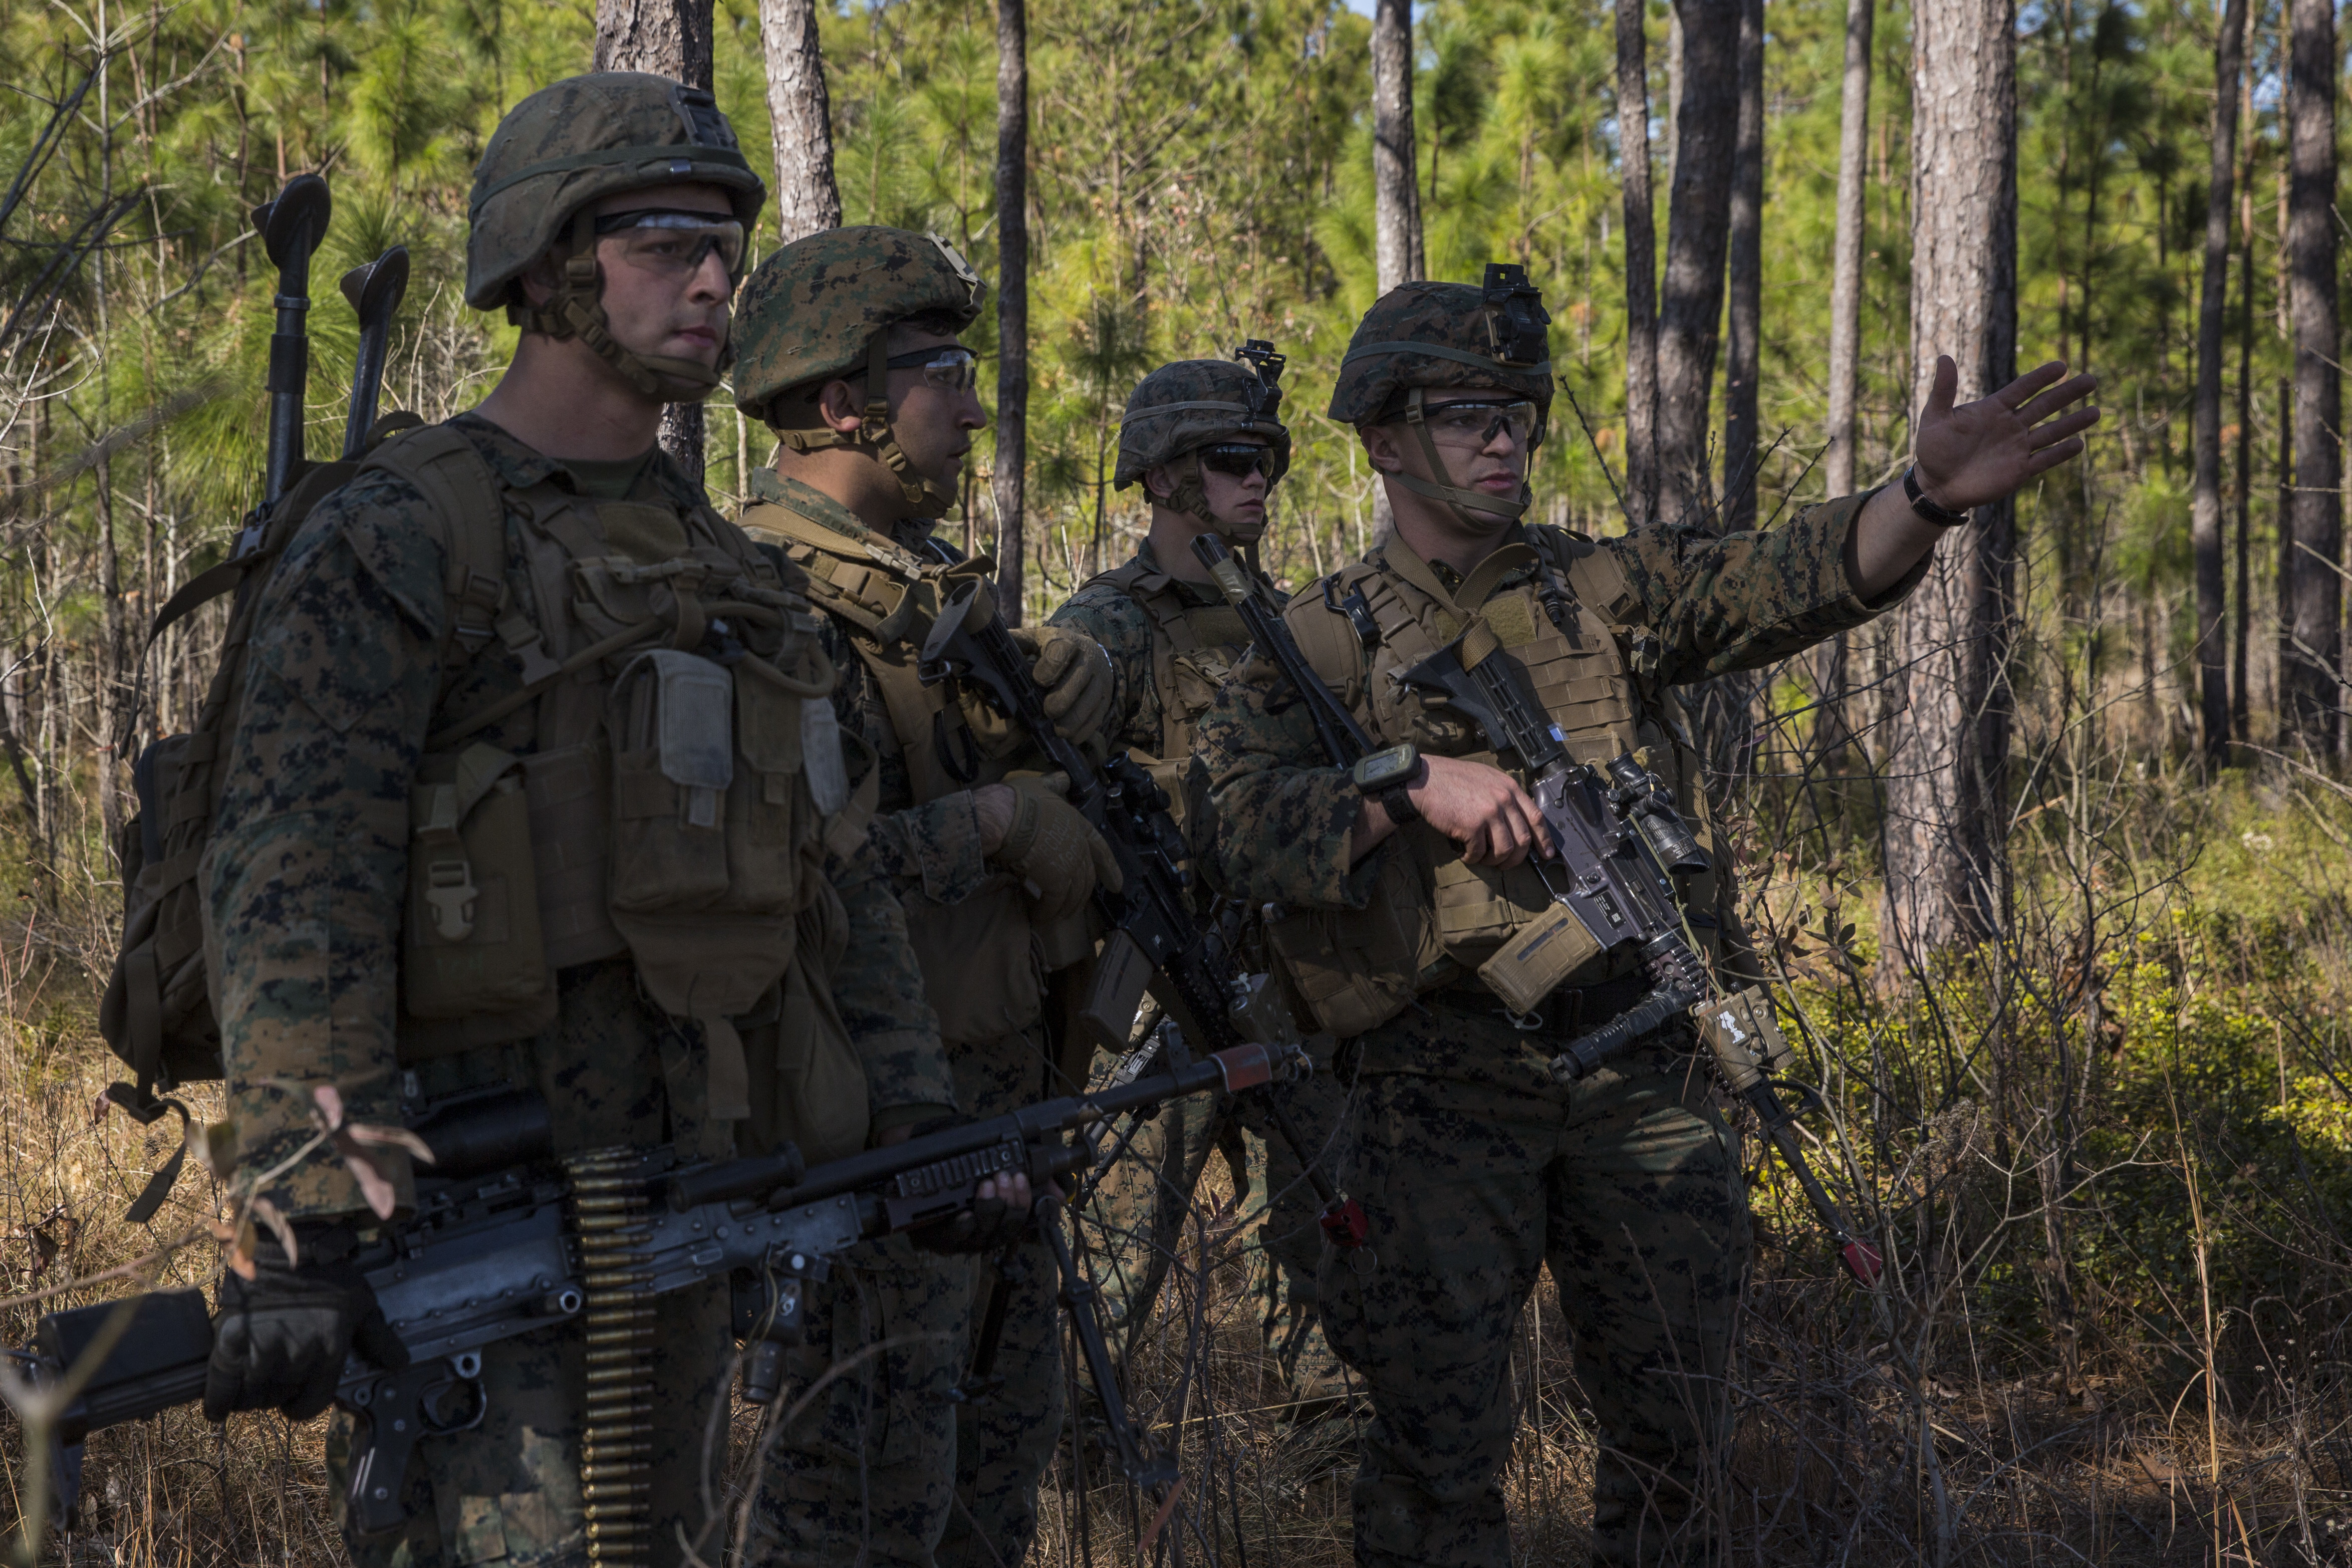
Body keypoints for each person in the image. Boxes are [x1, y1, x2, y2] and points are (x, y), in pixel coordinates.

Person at [1197, 267, 2097, 1566]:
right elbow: (1230, 829)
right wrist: (1399, 785)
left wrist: (1926, 498)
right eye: (1467, 413)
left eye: (1520, 411)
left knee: (1678, 1434)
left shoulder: (1600, 591)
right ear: (1383, 437)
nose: (1505, 437)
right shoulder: (1315, 641)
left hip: (1643, 1057)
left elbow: (1788, 578)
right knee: (1435, 1456)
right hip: (1431, 1085)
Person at [197, 74, 976, 1565]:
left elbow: (834, 872)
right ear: (548, 261)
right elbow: (297, 878)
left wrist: (921, 1125)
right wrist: (305, 1197)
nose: (712, 281)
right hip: (472, 1210)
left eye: (727, 250)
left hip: (676, 1202)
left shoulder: (725, 563)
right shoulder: (410, 529)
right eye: (664, 240)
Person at [727, 224, 1120, 1568]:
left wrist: (1072, 695)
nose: (970, 404)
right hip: (876, 1140)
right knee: (858, 1511)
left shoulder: (913, 593)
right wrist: (1002, 821)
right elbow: (790, 895)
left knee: (984, 1498)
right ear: (844, 402)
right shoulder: (765, 602)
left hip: (998, 1108)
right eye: (940, 371)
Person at [1047, 348, 1351, 1411]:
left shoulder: (1294, 626)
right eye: (1232, 459)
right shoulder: (1106, 627)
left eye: (1266, 457)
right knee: (1106, 1262)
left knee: (1321, 1233)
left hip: (1286, 978)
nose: (1258, 477)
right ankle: (1069, 1463)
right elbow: (1051, 804)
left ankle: (1324, 1453)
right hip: (1154, 991)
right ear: (1168, 476)